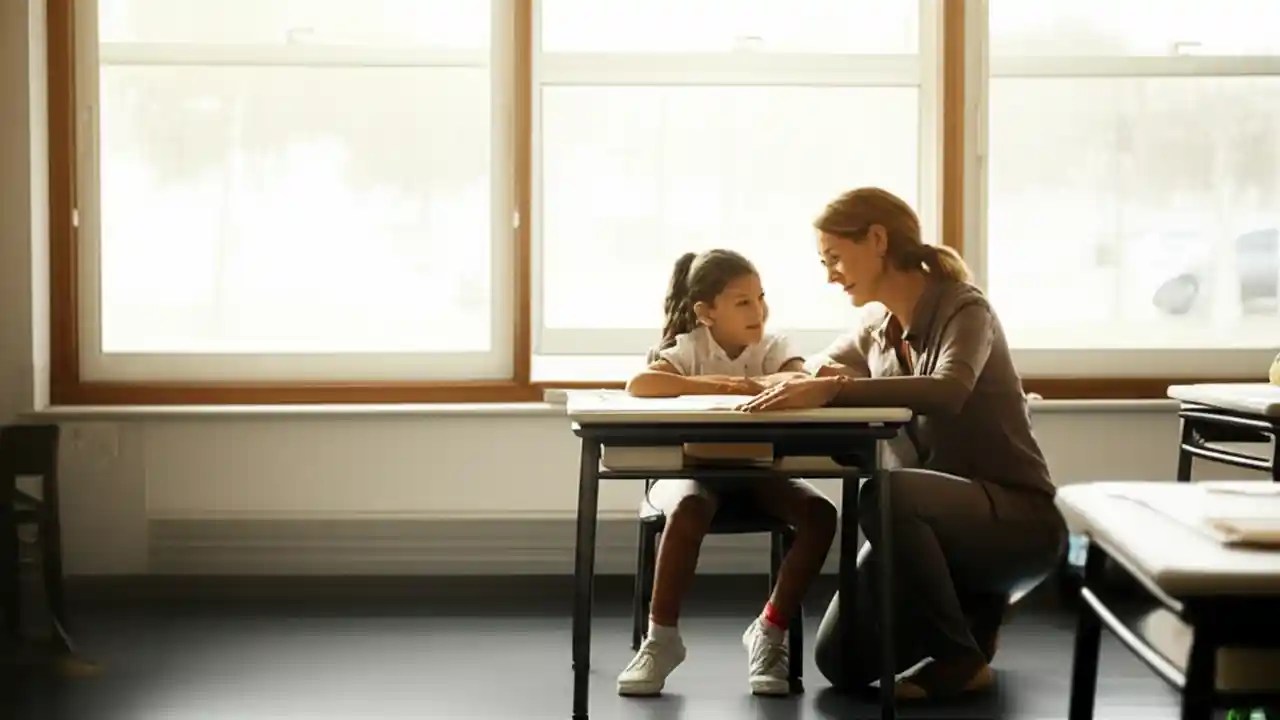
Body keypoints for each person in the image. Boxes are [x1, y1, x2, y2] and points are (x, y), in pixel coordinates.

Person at [738, 188, 1068, 700]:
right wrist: (730, 377)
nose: (830, 274)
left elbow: (948, 388)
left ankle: (960, 657)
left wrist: (835, 387)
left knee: (884, 494)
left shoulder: (965, 308)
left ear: (876, 240)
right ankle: (974, 613)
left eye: (835, 259)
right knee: (839, 660)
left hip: (1016, 523)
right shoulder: (874, 328)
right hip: (926, 527)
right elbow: (810, 371)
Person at [617, 249, 838, 697]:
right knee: (692, 507)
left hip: (759, 474)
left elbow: (799, 381)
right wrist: (724, 385)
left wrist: (756, 384)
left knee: (820, 513)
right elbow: (641, 384)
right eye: (742, 302)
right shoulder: (691, 348)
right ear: (706, 312)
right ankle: (661, 641)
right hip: (693, 475)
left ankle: (769, 630)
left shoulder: (774, 348)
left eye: (760, 298)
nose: (758, 311)